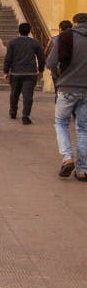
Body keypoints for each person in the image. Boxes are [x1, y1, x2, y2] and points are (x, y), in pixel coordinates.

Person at [47, 13, 87, 180]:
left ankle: (67, 157)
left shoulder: (65, 37)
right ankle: (82, 170)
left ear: (75, 23)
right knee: (83, 128)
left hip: (67, 87)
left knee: (61, 123)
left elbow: (50, 62)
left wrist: (60, 73)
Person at [3, 23, 45, 124]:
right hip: (30, 73)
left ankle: (13, 111)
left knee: (14, 93)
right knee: (28, 95)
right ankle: (25, 116)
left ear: (19, 30)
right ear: (29, 31)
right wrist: (40, 70)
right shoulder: (35, 42)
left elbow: (8, 58)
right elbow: (41, 58)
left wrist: (5, 71)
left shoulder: (12, 42)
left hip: (16, 72)